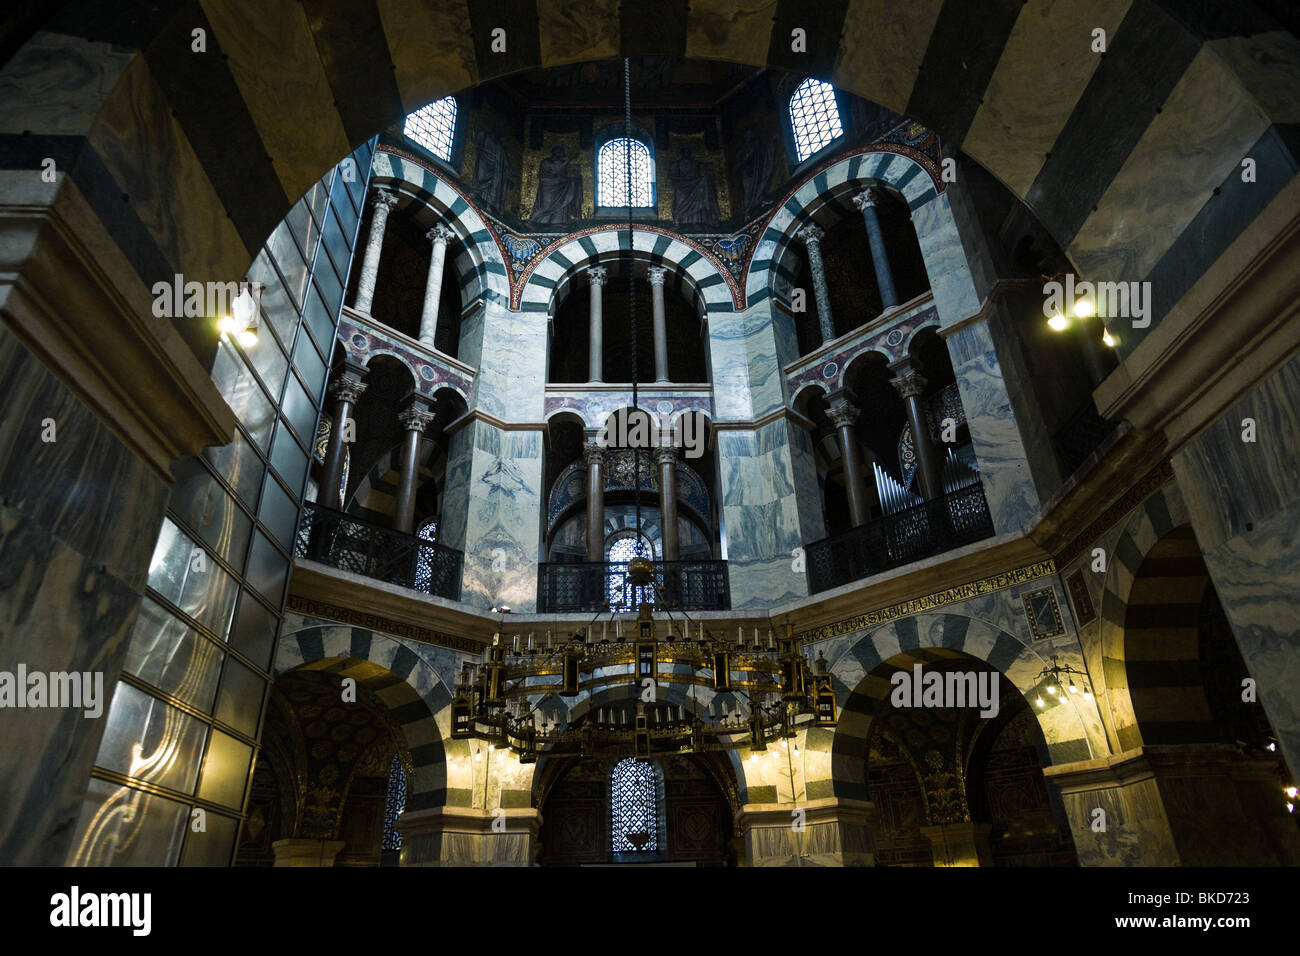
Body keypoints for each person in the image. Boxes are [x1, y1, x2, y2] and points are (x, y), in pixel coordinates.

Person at [530, 144, 582, 226]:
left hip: (561, 186)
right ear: (553, 151)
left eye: (561, 151)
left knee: (562, 203)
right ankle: (532, 221)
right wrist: (570, 159)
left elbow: (566, 173)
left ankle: (556, 222)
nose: (560, 153)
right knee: (545, 206)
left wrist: (573, 177)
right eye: (558, 150)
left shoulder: (563, 162)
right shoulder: (546, 162)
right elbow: (556, 169)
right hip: (547, 186)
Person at [669, 146, 720, 227]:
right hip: (682, 186)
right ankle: (678, 222)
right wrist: (683, 181)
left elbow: (704, 169)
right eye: (684, 152)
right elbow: (672, 176)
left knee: (696, 202)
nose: (686, 154)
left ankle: (695, 222)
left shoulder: (696, 164)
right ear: (681, 154)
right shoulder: (676, 165)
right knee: (680, 202)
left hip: (695, 186)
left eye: (688, 152)